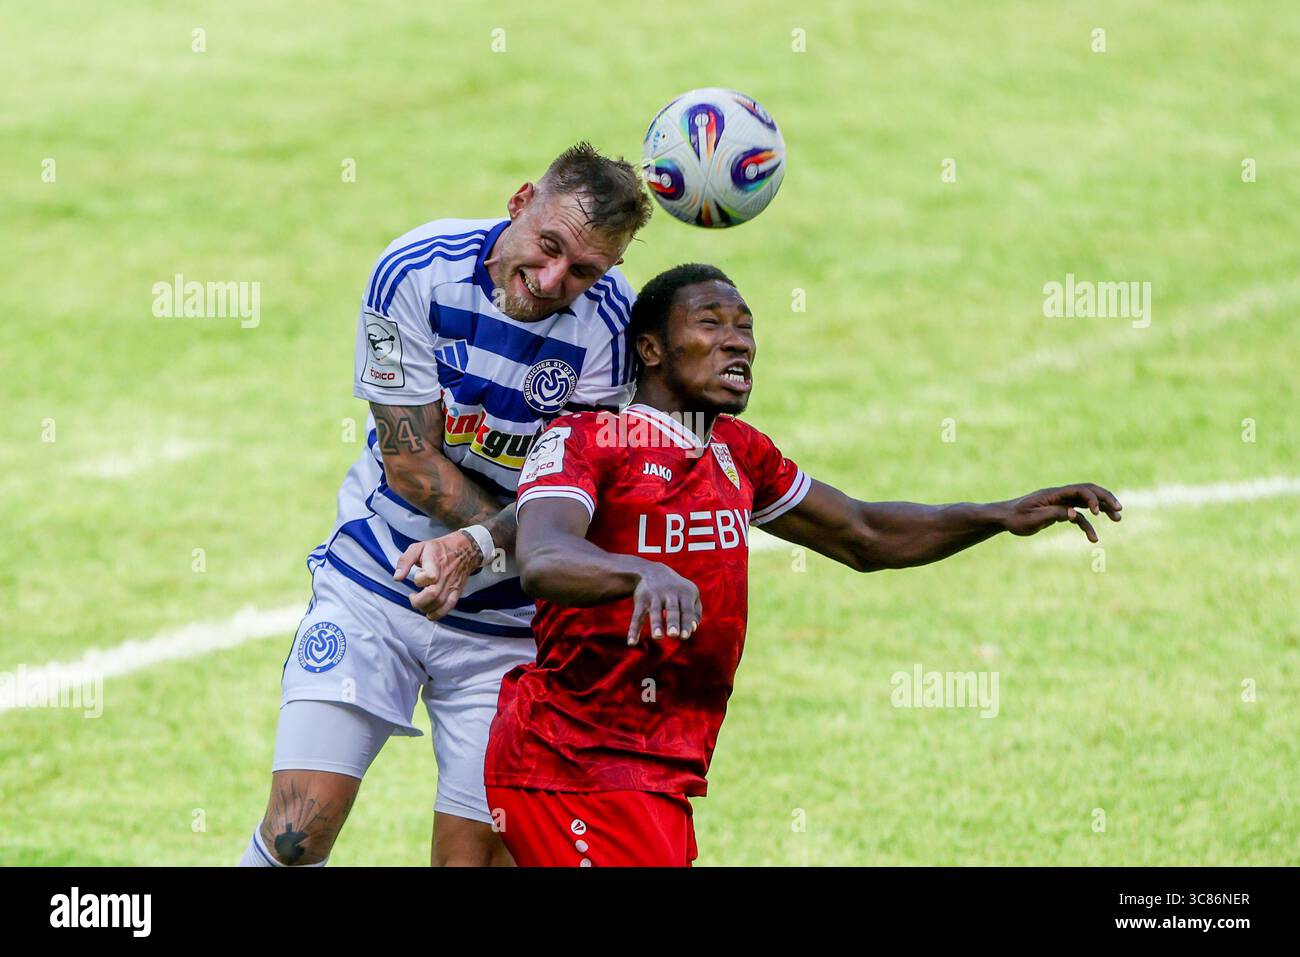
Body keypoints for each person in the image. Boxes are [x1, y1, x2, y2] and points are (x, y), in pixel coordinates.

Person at [433, 262, 1122, 866]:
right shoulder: (588, 438)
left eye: (746, 327)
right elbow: (547, 556)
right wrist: (637, 571)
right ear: (650, 348)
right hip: (573, 762)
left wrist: (995, 515)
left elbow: (863, 533)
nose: (738, 341)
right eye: (711, 324)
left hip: (661, 769)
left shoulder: (740, 451)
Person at [239, 143, 653, 867]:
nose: (555, 278)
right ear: (520, 200)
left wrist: (477, 549)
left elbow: (572, 503)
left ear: (610, 270)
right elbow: (410, 465)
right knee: (295, 832)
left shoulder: (611, 329)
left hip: (512, 630)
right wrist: (511, 534)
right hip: (376, 586)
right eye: (548, 246)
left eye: (584, 270)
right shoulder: (416, 269)